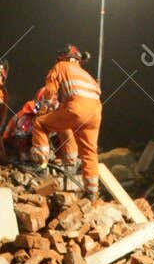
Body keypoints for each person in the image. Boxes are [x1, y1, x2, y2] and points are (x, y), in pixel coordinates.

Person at [32, 44, 102, 198]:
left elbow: (50, 91)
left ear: (63, 57)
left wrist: (44, 109)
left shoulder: (61, 66)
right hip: (95, 113)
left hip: (77, 108)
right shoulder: (87, 75)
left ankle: (41, 167)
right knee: (89, 152)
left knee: (40, 124)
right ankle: (91, 192)